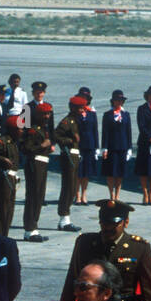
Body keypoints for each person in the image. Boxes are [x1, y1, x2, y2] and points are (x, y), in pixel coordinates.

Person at [58, 199, 151, 301]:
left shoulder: (139, 247)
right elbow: (71, 285)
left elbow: (149, 295)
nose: (108, 228)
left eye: (113, 224)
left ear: (126, 222)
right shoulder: (85, 244)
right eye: (104, 223)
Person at [20, 101, 54, 242]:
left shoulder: (43, 128)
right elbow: (26, 149)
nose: (47, 116)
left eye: (48, 114)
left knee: (39, 196)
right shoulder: (33, 130)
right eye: (44, 114)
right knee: (33, 196)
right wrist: (42, 145)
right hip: (35, 163)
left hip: (42, 163)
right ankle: (29, 228)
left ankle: (34, 227)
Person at [53, 95, 84, 231]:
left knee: (72, 188)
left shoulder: (75, 121)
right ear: (73, 108)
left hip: (75, 156)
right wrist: (70, 141)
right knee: (68, 187)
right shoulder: (67, 122)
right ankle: (64, 218)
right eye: (80, 108)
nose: (82, 110)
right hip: (68, 156)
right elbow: (56, 135)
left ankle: (66, 217)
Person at [101, 90, 132, 203]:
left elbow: (128, 131)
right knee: (110, 173)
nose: (118, 102)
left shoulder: (126, 115)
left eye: (120, 100)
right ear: (113, 101)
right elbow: (105, 132)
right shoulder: (107, 115)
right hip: (111, 147)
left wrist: (129, 148)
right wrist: (104, 148)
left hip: (123, 147)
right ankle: (111, 194)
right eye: (116, 100)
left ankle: (118, 194)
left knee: (120, 173)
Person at [75, 89, 99, 205]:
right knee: (78, 172)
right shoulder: (75, 113)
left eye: (86, 98)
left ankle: (84, 194)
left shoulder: (92, 113)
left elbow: (95, 131)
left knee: (86, 172)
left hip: (89, 145)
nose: (84, 100)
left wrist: (96, 147)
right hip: (78, 145)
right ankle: (77, 195)